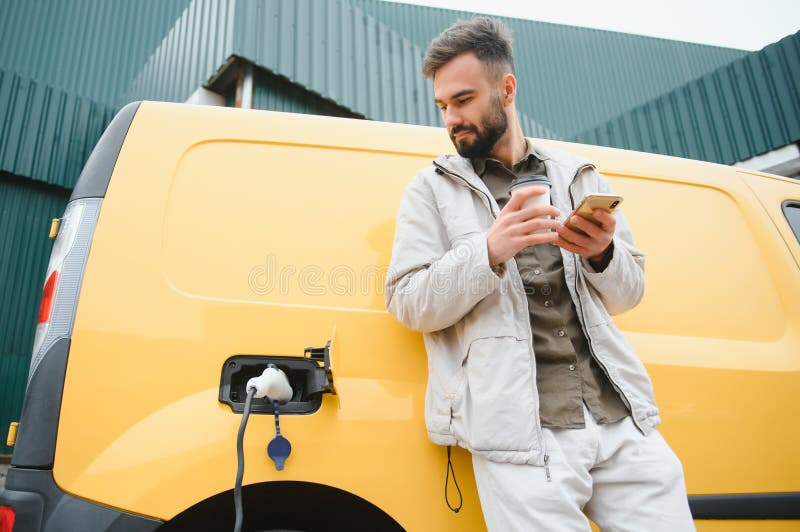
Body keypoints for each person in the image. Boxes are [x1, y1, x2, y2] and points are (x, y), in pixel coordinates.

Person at [384, 17, 694, 531]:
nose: (450, 118)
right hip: (524, 439)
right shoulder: (430, 189)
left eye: (462, 100)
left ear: (506, 89)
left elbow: (630, 291)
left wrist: (601, 255)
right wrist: (487, 251)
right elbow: (407, 300)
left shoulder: (578, 174)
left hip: (620, 418)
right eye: (442, 106)